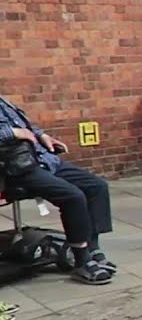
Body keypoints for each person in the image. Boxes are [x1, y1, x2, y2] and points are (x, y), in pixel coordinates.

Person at [0, 96, 118, 282]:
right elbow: (16, 130)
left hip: (42, 160)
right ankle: (82, 261)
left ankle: (92, 249)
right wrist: (13, 133)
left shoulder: (2, 100)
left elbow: (25, 125)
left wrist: (42, 135)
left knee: (96, 186)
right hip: (15, 168)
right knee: (73, 196)